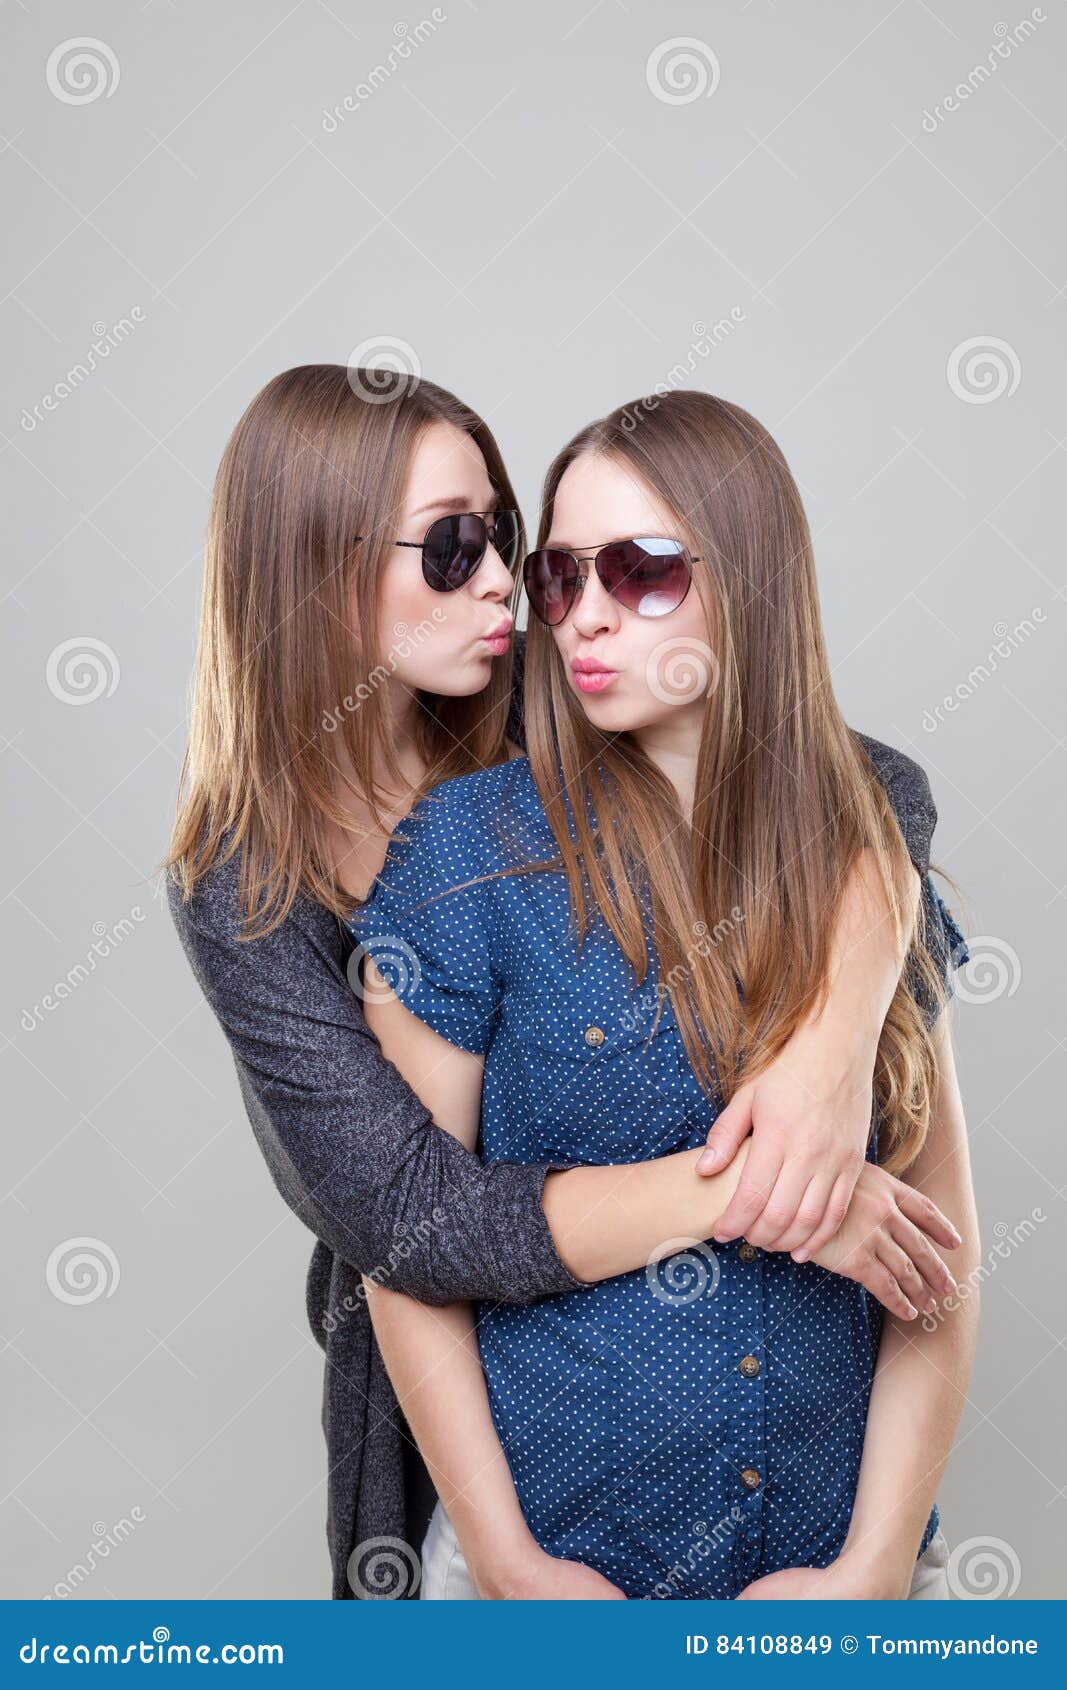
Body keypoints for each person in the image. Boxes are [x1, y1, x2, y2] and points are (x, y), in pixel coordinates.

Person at [168, 366, 955, 1598]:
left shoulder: (561, 689)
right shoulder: (243, 882)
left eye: (503, 542)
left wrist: (831, 1048)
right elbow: (415, 1222)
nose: (507, 588)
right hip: (466, 1372)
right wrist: (780, 1193)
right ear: (316, 569)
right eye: (452, 547)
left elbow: (855, 787)